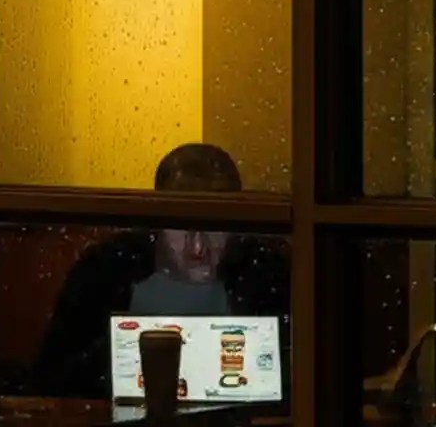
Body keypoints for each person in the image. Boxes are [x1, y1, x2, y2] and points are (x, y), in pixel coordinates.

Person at [27, 144, 290, 399]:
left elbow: (303, 377)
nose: (197, 247)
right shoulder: (108, 268)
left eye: (214, 227)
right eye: (180, 227)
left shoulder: (265, 275)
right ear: (157, 222)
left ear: (237, 225)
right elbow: (52, 378)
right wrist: (119, 354)